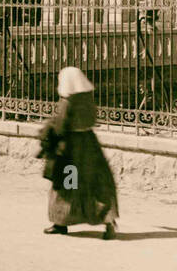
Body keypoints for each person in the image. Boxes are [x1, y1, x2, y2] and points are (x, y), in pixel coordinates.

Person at [38, 67, 119, 239]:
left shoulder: (67, 102)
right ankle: (108, 220)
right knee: (96, 183)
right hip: (90, 146)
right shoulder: (88, 98)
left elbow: (60, 125)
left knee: (67, 185)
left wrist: (47, 134)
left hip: (71, 150)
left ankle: (61, 223)